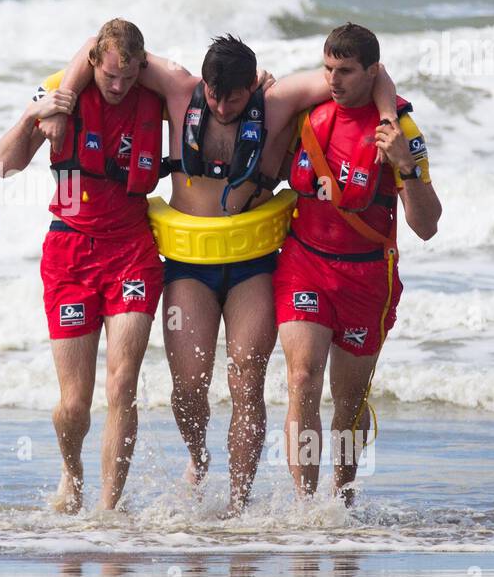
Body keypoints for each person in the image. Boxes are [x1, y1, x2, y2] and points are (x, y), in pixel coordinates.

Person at [44, 34, 397, 512]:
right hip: (189, 263)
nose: (223, 106)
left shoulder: (273, 103)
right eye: (215, 95)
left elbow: (372, 75)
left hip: (251, 262)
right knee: (189, 388)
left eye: (234, 97)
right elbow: (100, 48)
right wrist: (61, 101)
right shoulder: (179, 88)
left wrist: (391, 118)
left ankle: (238, 500)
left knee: (247, 377)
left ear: (250, 86)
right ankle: (199, 454)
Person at [0, 19, 165, 514]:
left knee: (122, 385)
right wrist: (35, 114)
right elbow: (4, 165)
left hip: (132, 250)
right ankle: (72, 476)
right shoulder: (60, 94)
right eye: (110, 76)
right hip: (70, 253)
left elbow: (203, 92)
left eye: (128, 78)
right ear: (93, 63)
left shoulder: (152, 95)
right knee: (74, 403)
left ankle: (109, 510)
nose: (118, 88)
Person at [275, 22, 441, 505]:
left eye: (345, 71)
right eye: (328, 68)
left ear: (372, 72)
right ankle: (307, 510)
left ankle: (342, 500)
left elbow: (426, 226)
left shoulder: (401, 130)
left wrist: (405, 167)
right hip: (304, 263)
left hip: (366, 277)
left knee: (348, 402)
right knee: (301, 379)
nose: (334, 80)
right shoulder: (311, 111)